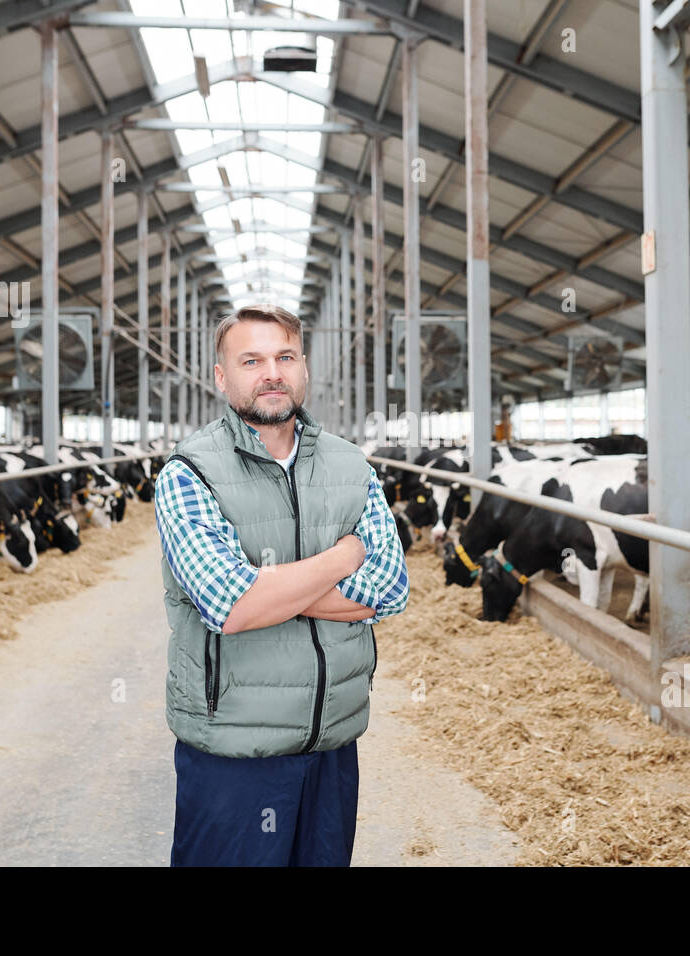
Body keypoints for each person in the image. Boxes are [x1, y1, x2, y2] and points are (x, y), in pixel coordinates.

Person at [154, 303, 408, 867]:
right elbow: (232, 606)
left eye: (285, 356)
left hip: (333, 742)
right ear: (222, 377)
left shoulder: (352, 466)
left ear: (303, 369)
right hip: (234, 751)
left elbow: (390, 589)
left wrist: (271, 590)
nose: (272, 372)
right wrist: (346, 554)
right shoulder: (189, 472)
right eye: (252, 360)